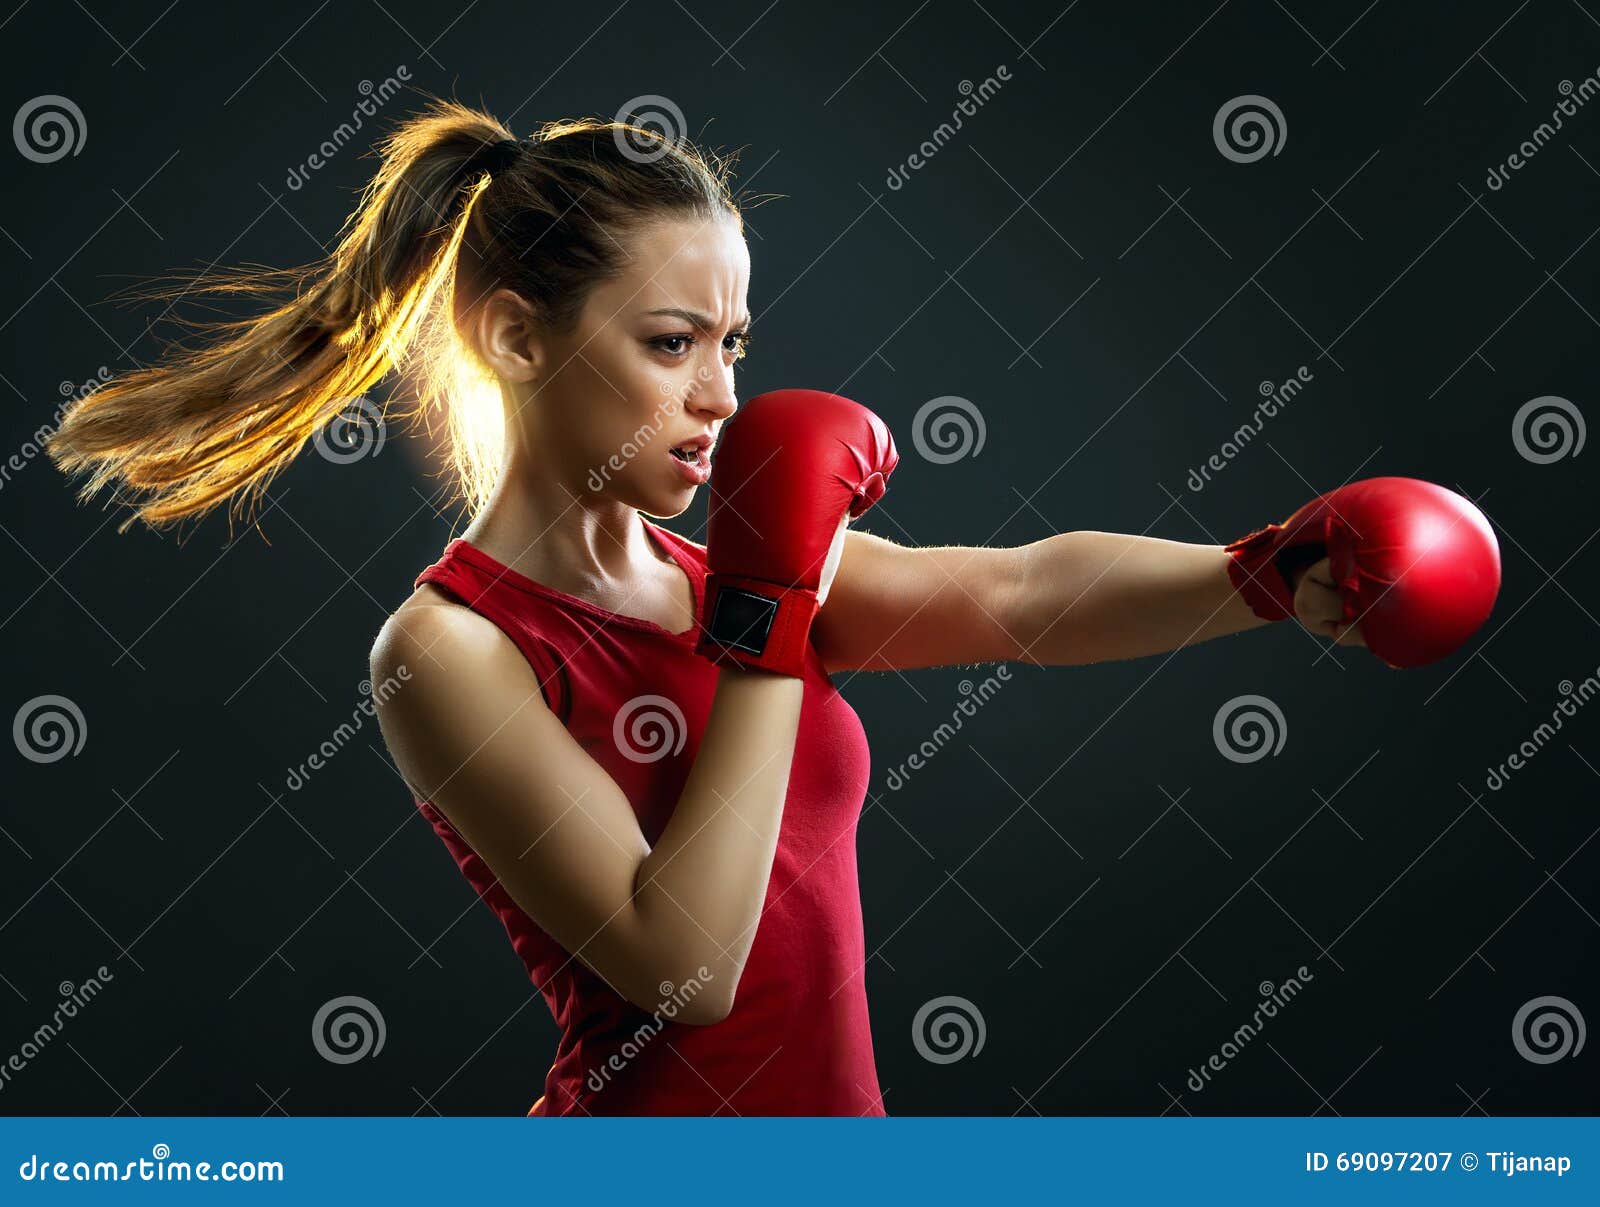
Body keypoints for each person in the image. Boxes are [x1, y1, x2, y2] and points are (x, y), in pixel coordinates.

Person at [47, 98, 1496, 1116]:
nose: (721, 395)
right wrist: (764, 615)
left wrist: (1262, 576)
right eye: (672, 343)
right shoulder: (450, 649)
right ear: (517, 338)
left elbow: (1016, 594)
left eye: (735, 343)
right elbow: (682, 966)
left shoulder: (720, 567)